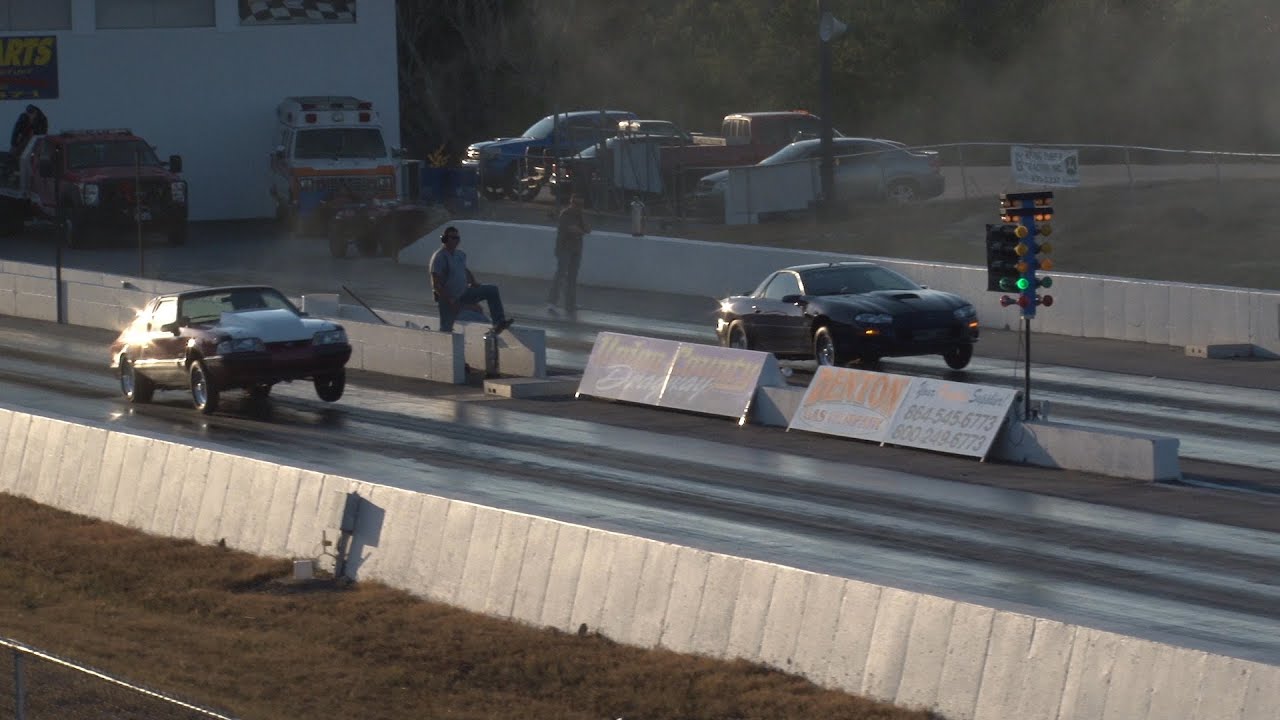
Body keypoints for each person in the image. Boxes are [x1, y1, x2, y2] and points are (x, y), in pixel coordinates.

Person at [429, 225, 514, 333]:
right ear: (445, 239)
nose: (456, 240)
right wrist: (450, 300)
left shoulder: (460, 255)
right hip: (448, 299)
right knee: (446, 329)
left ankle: (499, 322)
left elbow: (464, 270)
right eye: (453, 238)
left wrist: (473, 282)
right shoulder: (439, 257)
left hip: (465, 293)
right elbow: (436, 284)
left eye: (457, 238)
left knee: (491, 290)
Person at [547, 192, 590, 317]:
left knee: (572, 277)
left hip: (576, 249)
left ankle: (570, 304)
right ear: (571, 203)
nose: (578, 206)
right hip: (564, 249)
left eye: (581, 204)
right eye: (576, 204)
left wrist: (582, 218)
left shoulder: (579, 215)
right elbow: (573, 229)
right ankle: (552, 302)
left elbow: (588, 229)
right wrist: (581, 230)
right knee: (560, 275)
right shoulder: (565, 214)